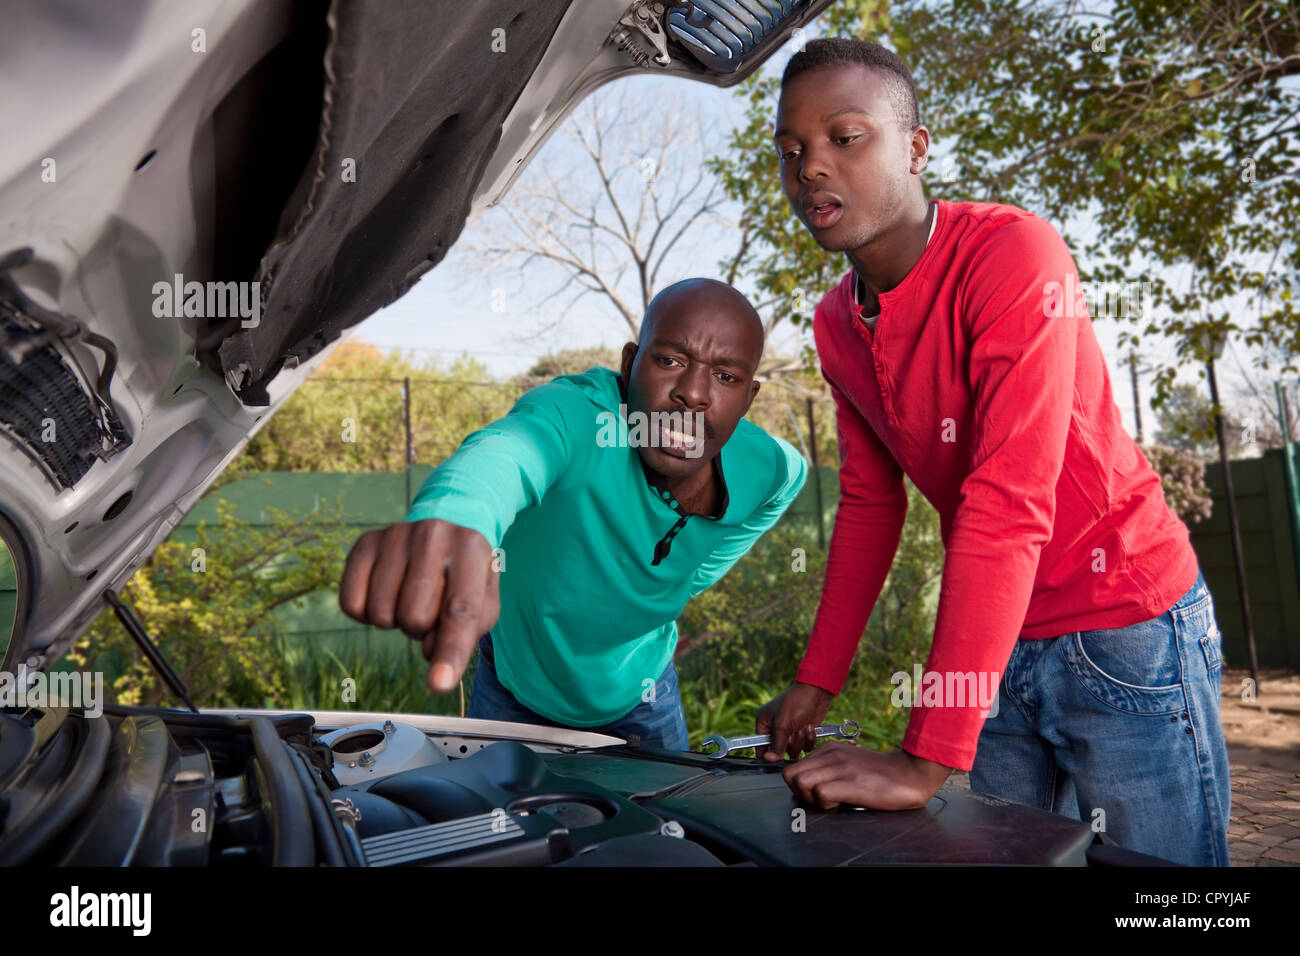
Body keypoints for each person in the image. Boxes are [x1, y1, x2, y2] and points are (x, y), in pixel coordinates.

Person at [755, 37, 1230, 866]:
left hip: (1125, 623)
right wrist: (818, 677)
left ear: (916, 147)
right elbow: (871, 503)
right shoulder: (836, 324)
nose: (811, 168)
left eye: (844, 136)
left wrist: (925, 760)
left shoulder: (1013, 255)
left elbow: (1009, 502)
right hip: (997, 639)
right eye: (792, 151)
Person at [339, 277, 806, 750]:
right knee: (499, 822)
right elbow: (509, 454)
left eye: (726, 376)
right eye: (669, 360)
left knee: (660, 821)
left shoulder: (765, 465)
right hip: (515, 692)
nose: (693, 393)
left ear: (750, 398)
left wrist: (685, 578)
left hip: (645, 695)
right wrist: (453, 517)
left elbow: (789, 483)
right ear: (629, 364)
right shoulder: (584, 418)